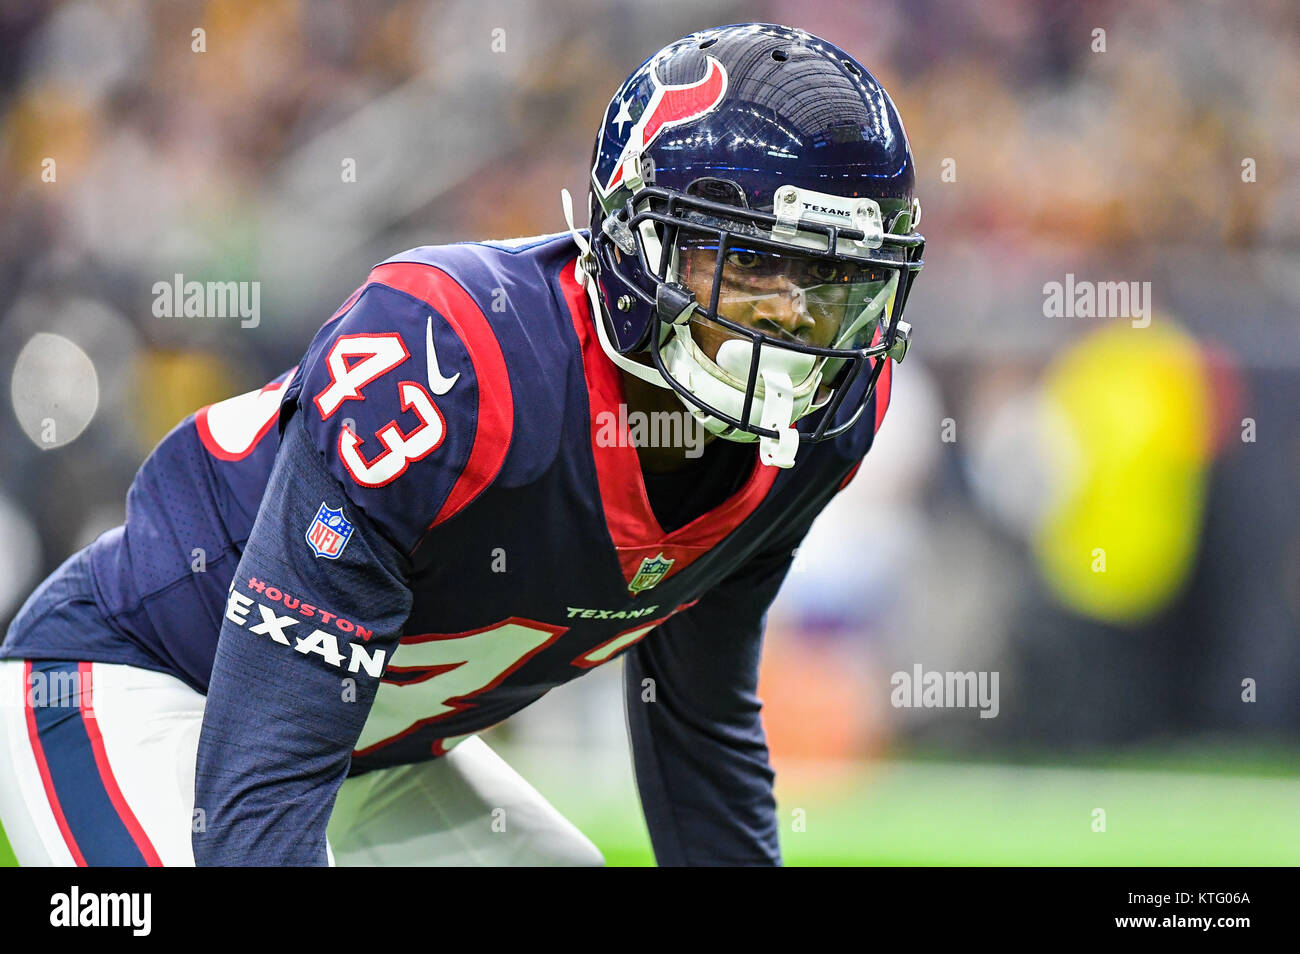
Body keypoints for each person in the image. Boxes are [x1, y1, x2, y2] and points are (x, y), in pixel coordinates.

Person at [0, 21, 924, 866]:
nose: (788, 314)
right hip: (138, 691)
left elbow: (699, 722)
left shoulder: (824, 422)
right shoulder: (455, 358)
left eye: (829, 276)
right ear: (637, 244)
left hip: (370, 748)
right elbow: (264, 776)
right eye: (750, 258)